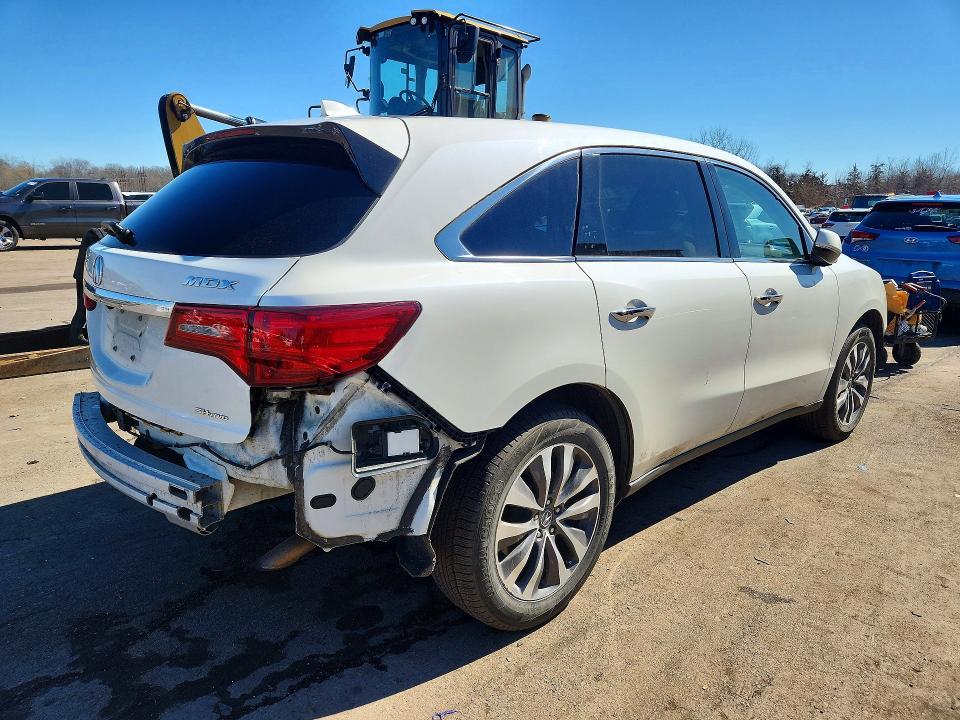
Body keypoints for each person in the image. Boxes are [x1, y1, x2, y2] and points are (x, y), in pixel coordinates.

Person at [69, 227, 104, 345]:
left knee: (83, 309)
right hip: (91, 272)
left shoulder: (94, 233)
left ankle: (76, 336)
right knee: (85, 310)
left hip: (87, 271)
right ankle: (76, 339)